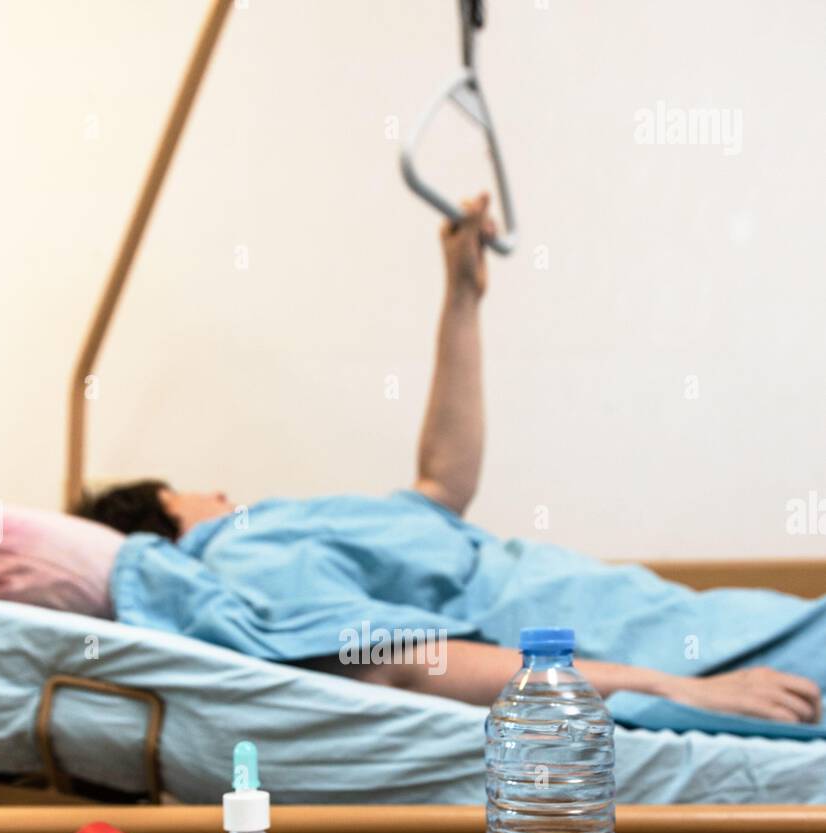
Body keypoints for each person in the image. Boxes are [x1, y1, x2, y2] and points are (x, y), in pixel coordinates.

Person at [79, 197, 823, 725]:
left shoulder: (283, 530)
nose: (217, 489)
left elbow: (441, 484)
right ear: (166, 520)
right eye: (192, 492)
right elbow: (410, 659)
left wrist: (461, 296)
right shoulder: (244, 552)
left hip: (621, 611)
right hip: (619, 647)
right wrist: (678, 688)